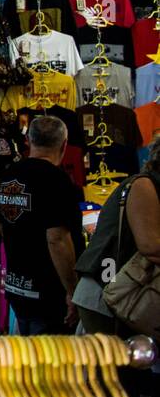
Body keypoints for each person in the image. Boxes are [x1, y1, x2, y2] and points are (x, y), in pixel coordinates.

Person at [0, 116, 84, 334]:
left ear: (28, 140)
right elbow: (57, 239)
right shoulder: (58, 180)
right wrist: (72, 291)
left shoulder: (9, 175)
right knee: (49, 361)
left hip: (17, 288)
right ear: (64, 144)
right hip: (49, 294)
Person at [74, 135, 160, 335]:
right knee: (115, 363)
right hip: (106, 294)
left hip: (124, 293)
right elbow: (151, 246)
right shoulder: (144, 185)